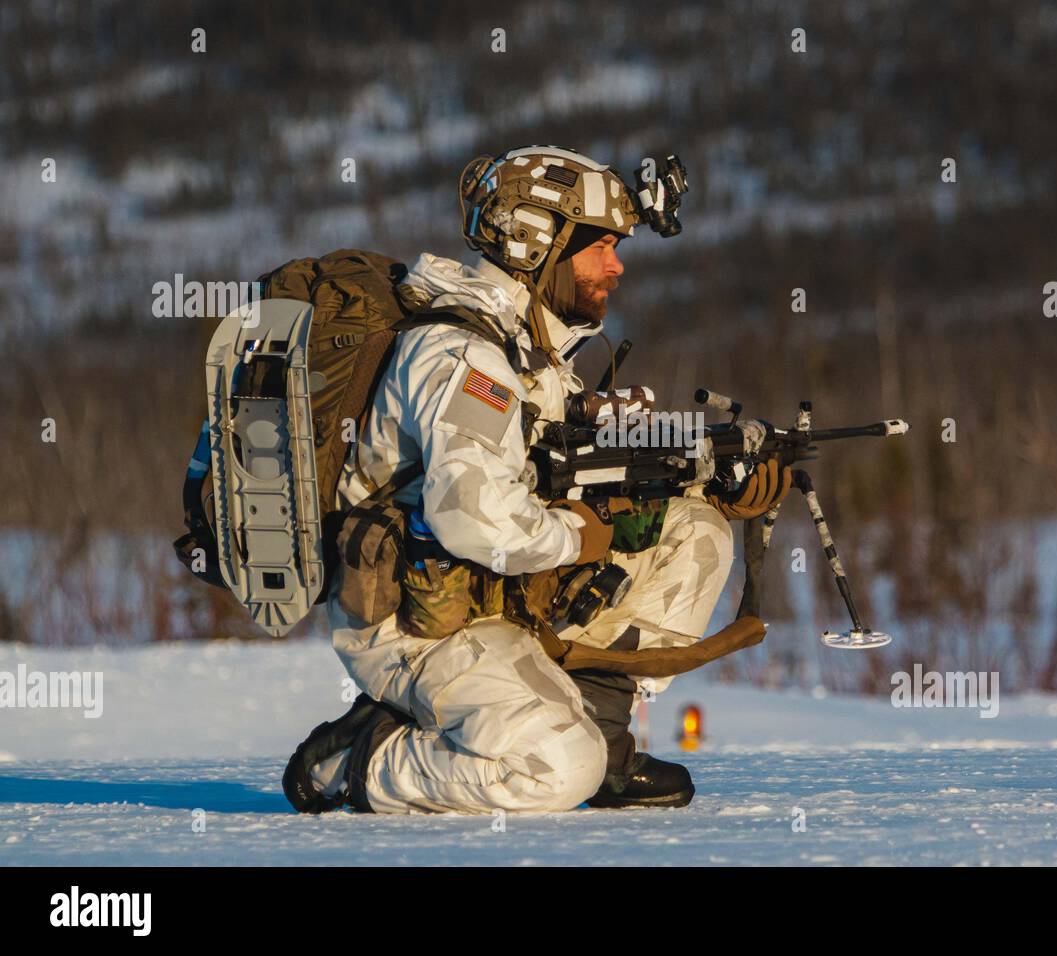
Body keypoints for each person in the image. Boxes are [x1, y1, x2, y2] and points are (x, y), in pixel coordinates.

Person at [282, 146, 789, 815]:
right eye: (602, 246)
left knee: (694, 533)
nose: (617, 265)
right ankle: (367, 758)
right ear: (537, 244)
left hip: (500, 598)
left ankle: (602, 740)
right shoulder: (467, 357)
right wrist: (576, 536)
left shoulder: (531, 350)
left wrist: (705, 480)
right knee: (555, 769)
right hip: (415, 625)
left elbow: (559, 469)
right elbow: (477, 520)